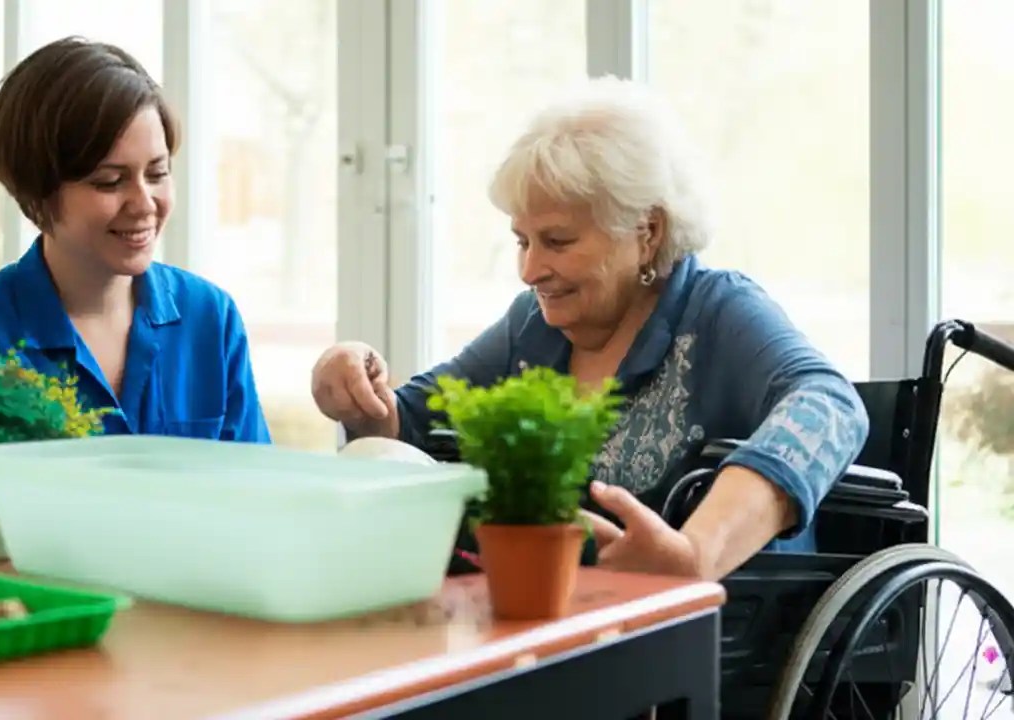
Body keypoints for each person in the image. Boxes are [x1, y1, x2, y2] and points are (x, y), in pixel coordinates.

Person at [310, 77, 869, 581]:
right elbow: (408, 428)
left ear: (646, 232)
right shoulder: (532, 327)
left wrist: (696, 552)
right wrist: (360, 393)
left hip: (708, 642)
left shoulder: (719, 311)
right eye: (522, 241)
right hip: (563, 627)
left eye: (557, 241)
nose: (530, 270)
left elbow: (831, 406)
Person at [0, 37, 270, 539]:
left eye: (157, 173)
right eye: (110, 182)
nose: (144, 203)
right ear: (36, 195)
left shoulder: (209, 320)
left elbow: (260, 503)